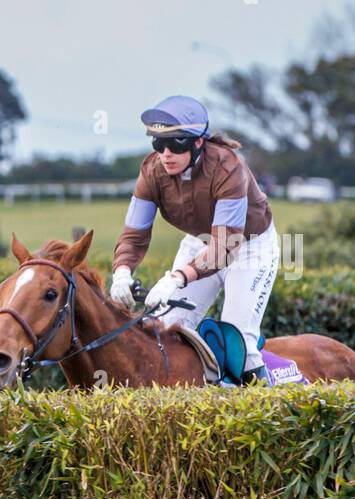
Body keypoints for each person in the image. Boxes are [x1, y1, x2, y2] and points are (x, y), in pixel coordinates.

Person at [109, 95, 279, 384]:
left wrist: (177, 277)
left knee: (237, 341)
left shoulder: (228, 168)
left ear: (198, 142)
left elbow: (225, 246)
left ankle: (266, 410)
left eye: (175, 144)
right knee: (164, 329)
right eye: (158, 144)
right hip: (199, 243)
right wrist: (122, 272)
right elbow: (134, 235)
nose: (165, 154)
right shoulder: (151, 171)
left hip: (248, 248)